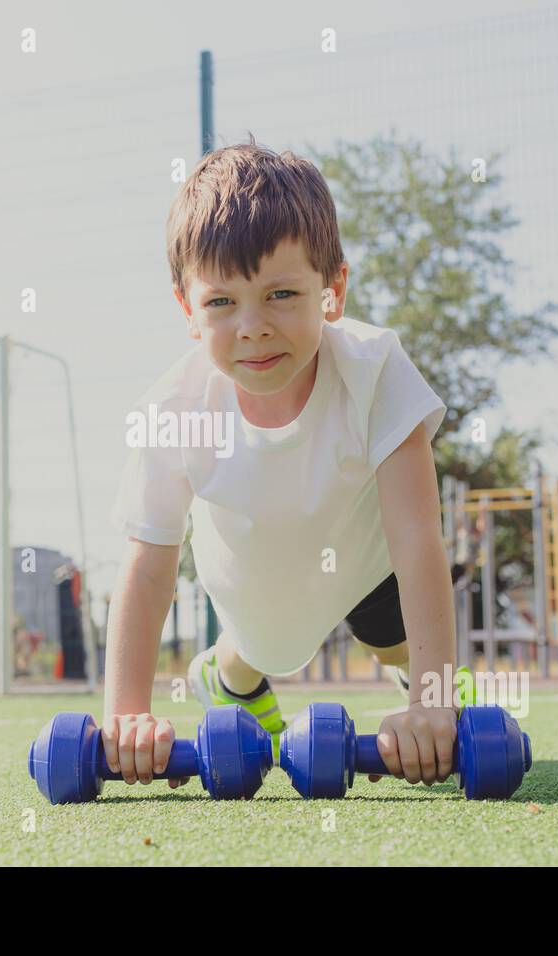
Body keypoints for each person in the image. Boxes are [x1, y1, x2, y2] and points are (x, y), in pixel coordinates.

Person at [105, 139, 458, 790]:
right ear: (187, 310)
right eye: (221, 302)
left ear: (333, 292)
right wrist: (126, 717)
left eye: (282, 294)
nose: (253, 326)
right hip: (253, 572)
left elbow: (416, 538)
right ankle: (230, 679)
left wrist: (433, 702)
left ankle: (424, 675)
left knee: (403, 645)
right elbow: (149, 567)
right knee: (263, 648)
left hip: (365, 559)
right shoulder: (174, 410)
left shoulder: (376, 371)